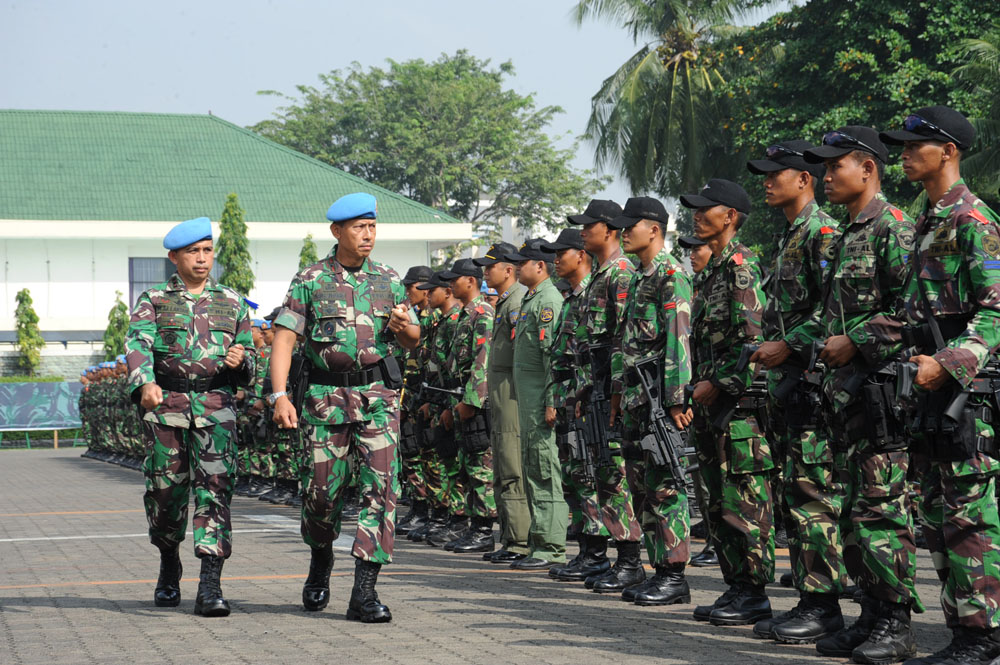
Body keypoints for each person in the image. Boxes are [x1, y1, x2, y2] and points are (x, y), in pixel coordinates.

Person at [881, 106, 1000, 665]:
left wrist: (950, 361)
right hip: (925, 386)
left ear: (948, 151)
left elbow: (996, 309)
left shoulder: (973, 220)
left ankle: (983, 635)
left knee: (968, 515)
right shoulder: (925, 219)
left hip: (962, 392)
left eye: (914, 145)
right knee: (934, 513)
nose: (903, 153)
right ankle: (963, 632)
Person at [269, 192, 419, 624]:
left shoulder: (389, 280)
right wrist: (279, 395)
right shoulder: (311, 280)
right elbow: (284, 338)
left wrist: (405, 327)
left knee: (382, 491)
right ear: (337, 232)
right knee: (321, 496)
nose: (368, 234)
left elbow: (412, 339)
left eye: (372, 226)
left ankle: (365, 592)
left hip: (378, 401)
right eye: (359, 227)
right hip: (324, 402)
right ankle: (320, 557)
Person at [803, 128, 923, 664]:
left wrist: (857, 339)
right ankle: (871, 615)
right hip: (844, 398)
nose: (827, 177)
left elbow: (914, 310)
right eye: (824, 169)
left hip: (880, 394)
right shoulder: (846, 233)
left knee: (882, 510)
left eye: (836, 167)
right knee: (854, 511)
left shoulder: (891, 227)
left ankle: (895, 623)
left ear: (867, 169)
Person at [125, 216, 255, 617]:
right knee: (166, 495)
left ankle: (210, 585)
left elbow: (251, 362)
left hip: (216, 408)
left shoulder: (232, 301)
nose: (202, 259)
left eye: (207, 251)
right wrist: (144, 382)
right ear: (174, 257)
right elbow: (137, 345)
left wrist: (241, 361)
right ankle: (168, 560)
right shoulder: (154, 301)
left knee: (214, 492)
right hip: (167, 410)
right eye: (193, 252)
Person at [745, 141, 849, 643]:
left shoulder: (823, 232)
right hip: (792, 385)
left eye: (775, 174)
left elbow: (833, 311)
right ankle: (812, 599)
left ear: (803, 180)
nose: (766, 182)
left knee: (814, 496)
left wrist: (787, 345)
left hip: (815, 382)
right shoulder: (790, 234)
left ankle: (824, 605)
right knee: (796, 496)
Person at [682, 180, 774, 625]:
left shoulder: (742, 267)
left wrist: (716, 383)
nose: (697, 216)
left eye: (706, 209)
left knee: (743, 501)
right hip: (711, 406)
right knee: (717, 503)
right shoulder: (710, 272)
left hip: (738, 409)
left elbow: (755, 344)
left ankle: (755, 591)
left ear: (731, 217)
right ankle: (736, 586)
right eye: (695, 210)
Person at [609, 196, 694, 606]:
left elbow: (678, 342)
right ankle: (658, 568)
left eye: (632, 225)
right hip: (635, 400)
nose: (625, 232)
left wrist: (677, 402)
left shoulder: (670, 274)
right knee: (643, 488)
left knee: (665, 488)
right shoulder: (640, 277)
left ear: (654, 229)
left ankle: (675, 575)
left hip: (660, 401)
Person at [506, 239, 569, 569]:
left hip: (541, 404)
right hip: (528, 404)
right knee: (533, 469)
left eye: (523, 262)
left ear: (540, 266)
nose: (518, 267)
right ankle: (538, 541)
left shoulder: (548, 301)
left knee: (545, 470)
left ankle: (551, 547)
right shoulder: (531, 299)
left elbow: (551, 360)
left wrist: (550, 402)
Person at [539, 228, 598, 580]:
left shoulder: (594, 293)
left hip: (587, 403)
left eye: (563, 252)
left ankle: (599, 553)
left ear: (581, 255)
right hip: (568, 403)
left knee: (591, 477)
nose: (556, 259)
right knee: (576, 477)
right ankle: (587, 551)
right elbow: (560, 360)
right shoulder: (571, 297)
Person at [474, 242, 532, 563]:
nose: (485, 271)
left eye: (490, 266)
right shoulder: (505, 304)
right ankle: (510, 538)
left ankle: (520, 542)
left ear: (508, 269)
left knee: (512, 469)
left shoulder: (516, 303)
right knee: (501, 468)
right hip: (499, 397)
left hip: (511, 397)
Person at [440, 258, 497, 553]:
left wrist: (470, 403)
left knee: (481, 466)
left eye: (456, 279)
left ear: (470, 281)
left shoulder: (483, 313)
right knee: (466, 465)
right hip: (460, 400)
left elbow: (482, 362)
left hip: (475, 403)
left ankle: (485, 529)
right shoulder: (465, 315)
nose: (451, 284)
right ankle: (473, 525)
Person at [677, 235, 718, 570]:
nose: (692, 255)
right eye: (689, 250)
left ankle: (720, 542)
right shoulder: (697, 286)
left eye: (697, 248)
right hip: (698, 392)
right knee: (702, 476)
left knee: (719, 478)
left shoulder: (725, 280)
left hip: (716, 392)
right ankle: (715, 540)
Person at [396, 265, 436, 537]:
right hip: (409, 391)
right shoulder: (413, 315)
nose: (408, 292)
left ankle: (430, 510)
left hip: (427, 392)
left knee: (428, 454)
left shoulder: (433, 317)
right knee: (411, 450)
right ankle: (418, 506)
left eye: (411, 287)